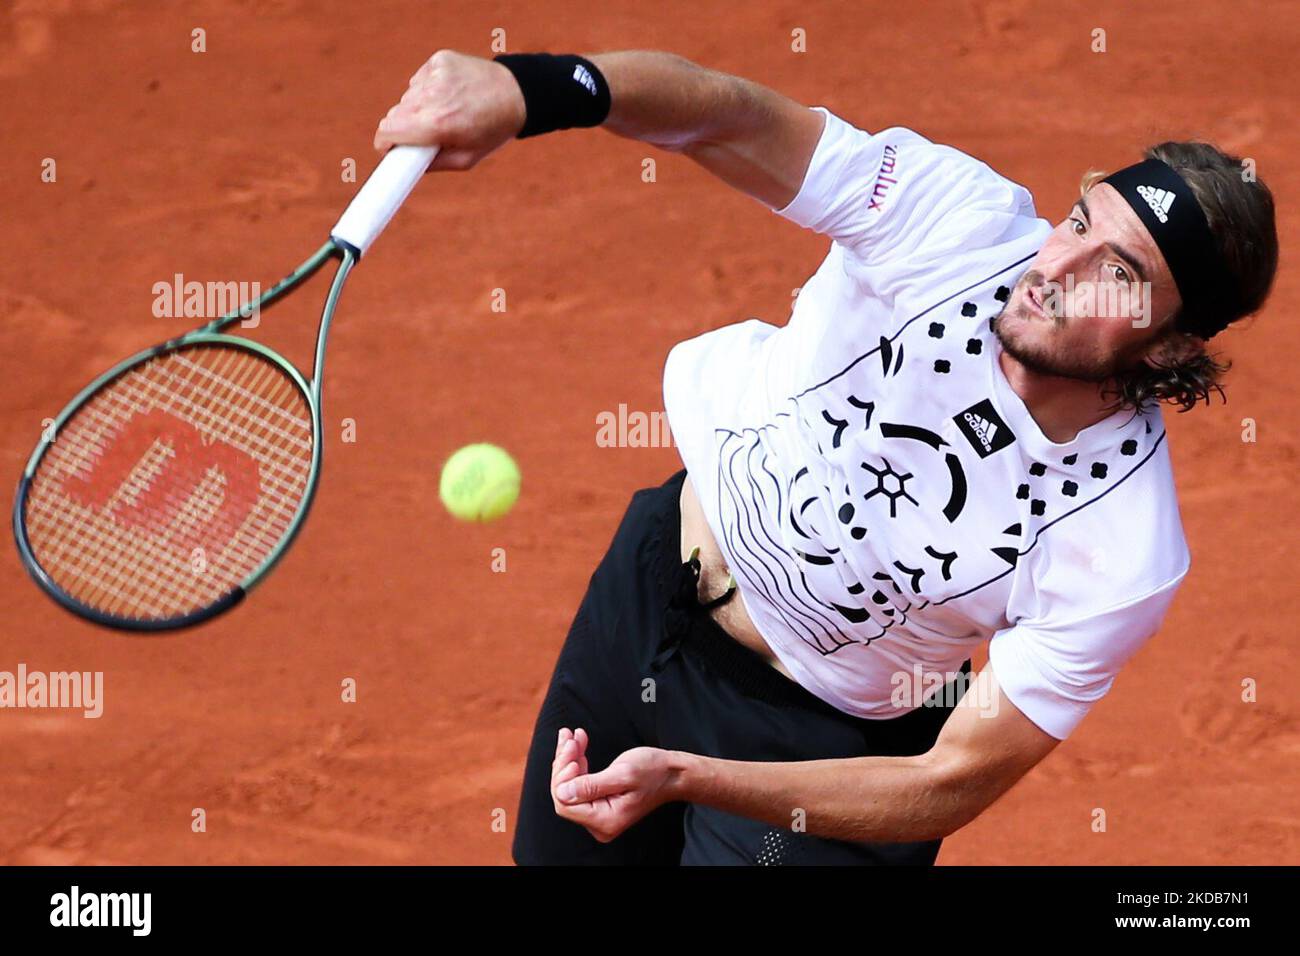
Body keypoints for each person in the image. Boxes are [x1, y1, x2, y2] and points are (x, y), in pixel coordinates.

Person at [374, 50, 1279, 864]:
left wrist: (695, 778)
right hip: (652, 593)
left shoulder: (1120, 547)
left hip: (826, 748)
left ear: (1168, 347)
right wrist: (534, 89)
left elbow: (947, 782)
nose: (1058, 267)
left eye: (1118, 275)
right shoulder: (955, 225)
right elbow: (733, 117)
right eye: (1080, 221)